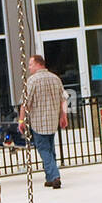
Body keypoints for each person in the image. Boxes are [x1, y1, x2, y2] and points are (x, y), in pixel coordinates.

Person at [19, 53, 68, 189]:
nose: (29, 67)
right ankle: (49, 177)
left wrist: (21, 120)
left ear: (38, 64)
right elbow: (63, 99)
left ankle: (54, 176)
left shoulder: (32, 81)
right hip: (52, 120)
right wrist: (64, 116)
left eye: (30, 64)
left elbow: (25, 102)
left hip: (38, 121)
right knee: (50, 149)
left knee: (44, 150)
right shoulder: (55, 78)